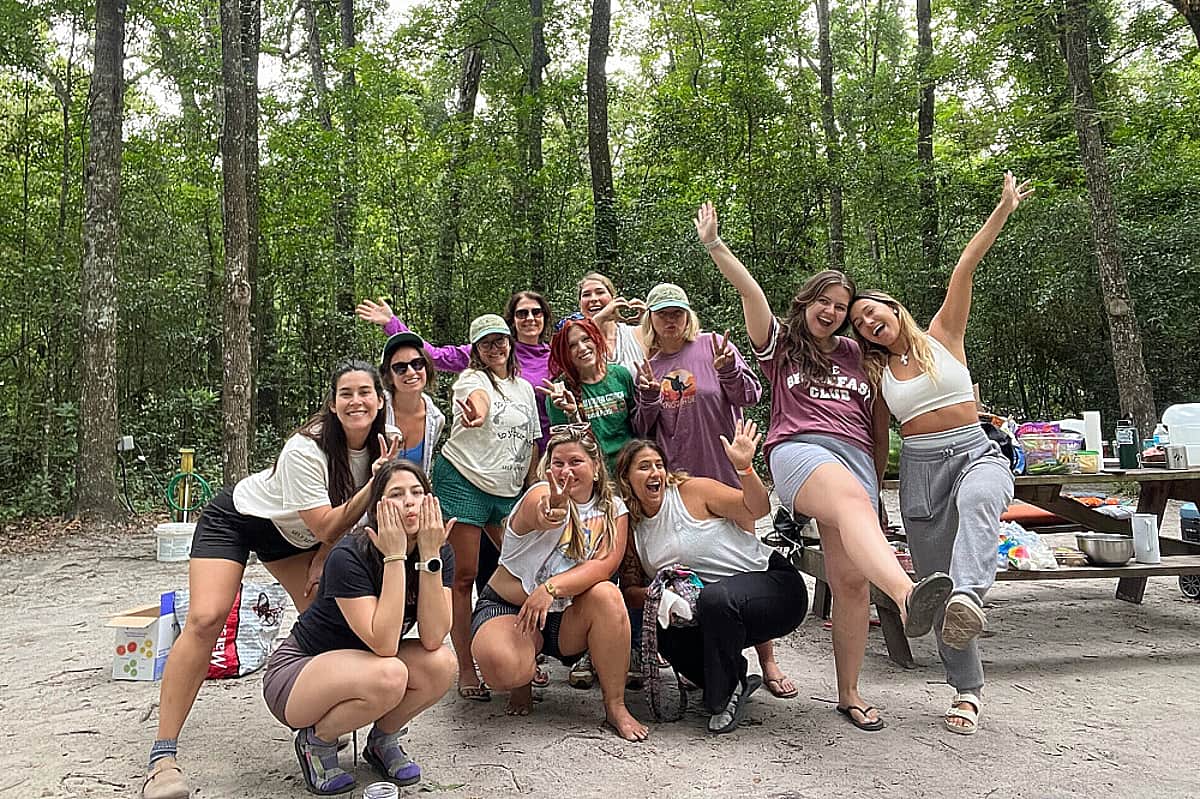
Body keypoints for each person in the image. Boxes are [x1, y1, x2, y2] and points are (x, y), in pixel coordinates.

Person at [696, 201, 953, 732]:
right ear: (807, 302)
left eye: (842, 306)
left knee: (851, 583)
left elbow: (878, 427)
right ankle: (909, 597)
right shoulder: (783, 347)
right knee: (851, 503)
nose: (832, 311)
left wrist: (878, 481)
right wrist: (716, 245)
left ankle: (850, 693)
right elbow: (753, 295)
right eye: (825, 301)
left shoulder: (863, 358)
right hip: (800, 451)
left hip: (857, 463)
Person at [142, 361, 400, 799]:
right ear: (333, 403)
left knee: (334, 624)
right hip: (241, 520)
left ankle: (324, 732)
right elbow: (327, 523)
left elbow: (343, 526)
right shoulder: (305, 449)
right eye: (346, 394)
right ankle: (162, 757)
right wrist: (370, 486)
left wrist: (324, 561)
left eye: (365, 393)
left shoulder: (384, 443)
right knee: (206, 619)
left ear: (379, 399)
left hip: (298, 538)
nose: (356, 401)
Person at [849, 172, 1033, 736]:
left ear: (891, 306)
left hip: (975, 452)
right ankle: (966, 690)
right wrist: (874, 491)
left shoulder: (941, 336)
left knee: (980, 505)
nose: (869, 323)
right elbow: (880, 437)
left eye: (871, 312)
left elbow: (964, 267)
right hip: (921, 470)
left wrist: (1003, 208)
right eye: (860, 324)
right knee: (933, 582)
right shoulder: (878, 373)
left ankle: (972, 597)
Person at [632, 282, 795, 699]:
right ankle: (717, 661)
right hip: (677, 486)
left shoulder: (712, 346)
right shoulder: (647, 363)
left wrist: (728, 370)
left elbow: (752, 395)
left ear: (688, 315)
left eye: (678, 312)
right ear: (650, 318)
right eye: (663, 313)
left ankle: (769, 661)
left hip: (724, 473)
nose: (671, 319)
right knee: (698, 575)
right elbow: (641, 432)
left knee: (741, 567)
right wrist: (649, 397)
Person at [261, 460, 457, 795]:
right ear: (378, 507)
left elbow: (434, 635)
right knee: (390, 673)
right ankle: (316, 742)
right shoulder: (349, 555)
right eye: (396, 494)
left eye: (417, 492)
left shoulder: (437, 551)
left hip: (367, 667)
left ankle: (382, 741)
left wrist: (429, 556)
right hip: (298, 674)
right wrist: (395, 557)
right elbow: (383, 644)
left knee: (441, 664)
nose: (410, 502)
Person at [616, 425, 808, 734]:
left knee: (715, 598)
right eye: (644, 467)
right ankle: (733, 678)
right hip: (718, 612)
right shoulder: (631, 529)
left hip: (775, 588)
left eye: (659, 465)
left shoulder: (691, 492)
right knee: (664, 629)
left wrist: (744, 467)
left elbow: (757, 508)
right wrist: (659, 596)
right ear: (626, 479)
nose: (655, 472)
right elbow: (630, 592)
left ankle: (720, 698)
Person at [469, 426, 649, 741]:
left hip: (565, 616)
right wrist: (551, 510)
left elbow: (604, 566)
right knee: (503, 669)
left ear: (595, 468)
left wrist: (550, 589)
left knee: (607, 594)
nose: (565, 470)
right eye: (558, 463)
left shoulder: (613, 509)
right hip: (509, 607)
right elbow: (543, 512)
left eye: (575, 462)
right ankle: (521, 678)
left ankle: (615, 706)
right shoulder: (539, 493)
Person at [433, 313, 541, 702]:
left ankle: (522, 657)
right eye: (486, 343)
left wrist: (530, 485)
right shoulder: (472, 380)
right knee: (464, 576)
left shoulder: (525, 388)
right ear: (476, 349)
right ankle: (465, 666)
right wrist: (477, 413)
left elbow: (532, 441)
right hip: (464, 479)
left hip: (507, 489)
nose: (495, 347)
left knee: (519, 568)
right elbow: (474, 405)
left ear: (510, 341)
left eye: (500, 340)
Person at [357, 291, 553, 447]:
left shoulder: (555, 356)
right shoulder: (487, 349)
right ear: (512, 321)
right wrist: (392, 324)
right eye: (522, 313)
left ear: (544, 317)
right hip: (492, 452)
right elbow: (433, 356)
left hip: (541, 447)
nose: (530, 318)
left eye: (536, 312)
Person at [539, 316, 638, 474]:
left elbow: (638, 425)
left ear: (596, 338)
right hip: (593, 475)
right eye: (572, 345)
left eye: (586, 339)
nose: (582, 348)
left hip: (628, 469)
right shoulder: (560, 392)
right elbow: (566, 448)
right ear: (564, 353)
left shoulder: (620, 375)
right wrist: (572, 414)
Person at [380, 331, 444, 473]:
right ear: (389, 376)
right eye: (400, 368)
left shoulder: (436, 419)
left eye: (417, 364)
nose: (410, 372)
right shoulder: (376, 409)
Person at [574, 272, 646, 369]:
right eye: (586, 295)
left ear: (613, 298)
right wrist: (599, 319)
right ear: (580, 304)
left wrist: (650, 318)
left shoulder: (636, 333)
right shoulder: (576, 343)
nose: (593, 299)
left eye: (600, 292)